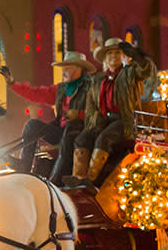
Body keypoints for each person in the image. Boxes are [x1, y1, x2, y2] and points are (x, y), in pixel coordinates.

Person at [67, 38, 157, 187]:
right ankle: (77, 178)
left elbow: (146, 70)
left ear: (123, 56)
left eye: (117, 53)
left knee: (104, 139)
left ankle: (90, 180)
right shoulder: (98, 80)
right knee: (82, 138)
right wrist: (93, 124)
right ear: (105, 58)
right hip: (104, 120)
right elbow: (92, 106)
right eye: (109, 53)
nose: (113, 56)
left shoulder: (130, 74)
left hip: (125, 120)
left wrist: (137, 56)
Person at [1, 53, 96, 180]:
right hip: (60, 131)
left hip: (81, 133)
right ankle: (24, 165)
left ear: (79, 68)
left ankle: (56, 178)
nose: (63, 71)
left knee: (71, 127)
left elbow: (97, 111)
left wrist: (78, 114)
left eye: (67, 67)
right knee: (32, 125)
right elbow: (37, 94)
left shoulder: (91, 87)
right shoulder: (61, 89)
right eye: (63, 67)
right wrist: (13, 83)